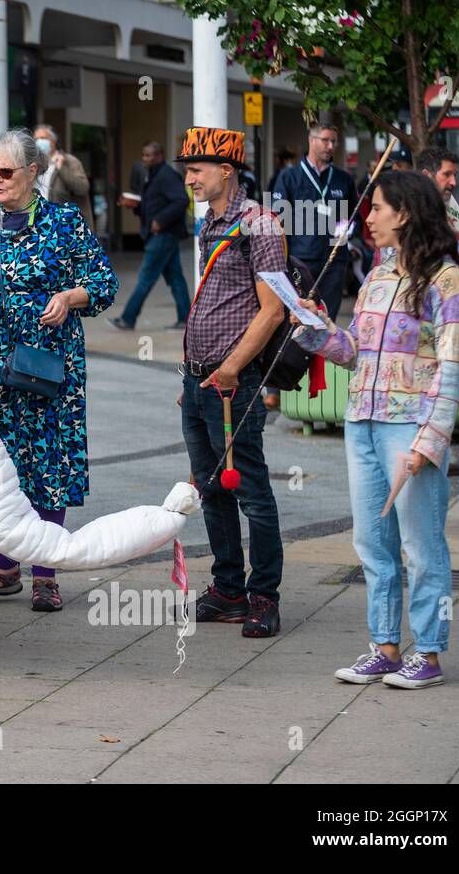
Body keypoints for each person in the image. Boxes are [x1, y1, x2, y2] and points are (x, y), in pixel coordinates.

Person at [290, 171, 459, 688]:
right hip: (363, 421)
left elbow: (454, 366)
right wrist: (317, 332)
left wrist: (431, 437)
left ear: (404, 213)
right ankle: (383, 646)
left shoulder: (448, 280)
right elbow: (354, 351)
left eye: (377, 208)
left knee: (423, 545)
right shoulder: (377, 274)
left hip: (411, 427)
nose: (369, 217)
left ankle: (428, 653)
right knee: (372, 542)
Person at [0, 128, 117, 612]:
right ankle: (3, 569)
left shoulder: (64, 221)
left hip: (49, 359)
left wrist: (68, 297)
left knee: (48, 462)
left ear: (33, 171)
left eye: (6, 171)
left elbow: (103, 283)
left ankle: (45, 573)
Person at [177, 126, 286, 638]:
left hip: (230, 386)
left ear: (227, 170)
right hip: (199, 384)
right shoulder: (210, 223)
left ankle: (263, 596)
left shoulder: (259, 225)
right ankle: (227, 591)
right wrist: (193, 372)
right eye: (187, 168)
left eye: (196, 168)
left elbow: (272, 311)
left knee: (252, 493)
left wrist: (231, 369)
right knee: (210, 490)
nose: (190, 177)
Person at [271, 122, 358, 320]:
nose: (330, 146)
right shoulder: (288, 177)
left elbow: (354, 216)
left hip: (334, 260)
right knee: (299, 318)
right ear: (312, 140)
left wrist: (346, 228)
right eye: (325, 140)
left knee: (327, 318)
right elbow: (276, 218)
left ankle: (326, 352)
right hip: (300, 259)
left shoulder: (343, 178)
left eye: (334, 142)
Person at [109, 142, 190, 330]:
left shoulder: (166, 175)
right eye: (143, 155)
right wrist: (135, 207)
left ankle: (128, 318)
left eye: (149, 155)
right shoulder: (152, 175)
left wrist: (160, 221)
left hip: (163, 234)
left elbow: (181, 200)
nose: (145, 159)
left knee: (146, 277)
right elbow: (152, 204)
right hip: (160, 234)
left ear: (159, 155)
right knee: (176, 278)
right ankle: (186, 319)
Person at [33, 124, 95, 231]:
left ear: (53, 141)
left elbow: (82, 188)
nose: (39, 142)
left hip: (66, 226)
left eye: (42, 138)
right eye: (36, 139)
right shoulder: (34, 165)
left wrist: (62, 169)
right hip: (39, 224)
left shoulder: (69, 161)